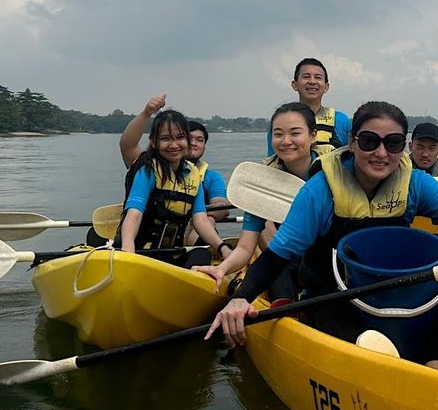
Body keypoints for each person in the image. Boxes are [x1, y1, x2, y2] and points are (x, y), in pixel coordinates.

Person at [208, 101, 438, 372]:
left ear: (402, 147)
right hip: (335, 292)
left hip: (395, 289)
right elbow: (279, 254)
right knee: (325, 307)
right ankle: (379, 364)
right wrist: (243, 297)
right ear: (352, 141)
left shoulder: (414, 182)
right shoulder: (321, 189)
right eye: (369, 141)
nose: (381, 153)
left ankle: (437, 367)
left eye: (392, 143)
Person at [193, 102, 317, 296]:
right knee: (277, 270)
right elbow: (244, 247)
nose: (286, 141)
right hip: (285, 264)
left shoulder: (331, 174)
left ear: (313, 136)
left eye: (295, 133)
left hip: (326, 262)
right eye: (278, 134)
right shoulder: (262, 183)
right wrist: (222, 269)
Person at [118, 109, 234, 266]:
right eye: (165, 139)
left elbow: (200, 220)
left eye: (180, 138)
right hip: (139, 252)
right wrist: (128, 250)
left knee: (201, 254)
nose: (174, 145)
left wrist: (223, 248)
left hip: (171, 254)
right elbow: (134, 213)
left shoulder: (193, 175)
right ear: (153, 141)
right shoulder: (147, 170)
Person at [265, 58, 350, 156]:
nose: (312, 81)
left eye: (318, 77)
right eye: (306, 77)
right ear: (295, 85)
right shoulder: (281, 121)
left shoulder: (341, 121)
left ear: (326, 87)